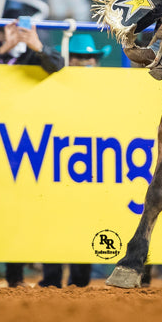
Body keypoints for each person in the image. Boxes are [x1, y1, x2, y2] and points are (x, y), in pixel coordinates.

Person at [0, 16, 64, 288]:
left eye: (23, 27)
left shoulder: (35, 57)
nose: (18, 32)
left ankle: (50, 280)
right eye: (12, 26)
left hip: (32, 143)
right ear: (3, 30)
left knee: (42, 209)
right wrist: (5, 47)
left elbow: (58, 66)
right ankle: (2, 277)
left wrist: (36, 45)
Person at [39, 33, 110, 289]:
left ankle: (79, 279)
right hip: (58, 160)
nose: (86, 62)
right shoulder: (53, 87)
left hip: (91, 163)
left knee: (85, 218)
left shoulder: (109, 92)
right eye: (79, 58)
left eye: (90, 57)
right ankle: (52, 277)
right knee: (54, 219)